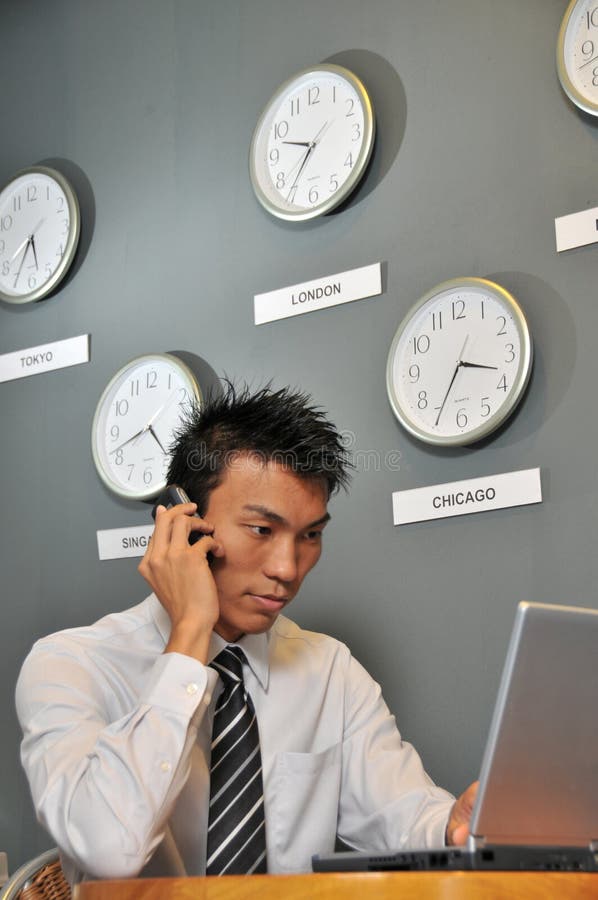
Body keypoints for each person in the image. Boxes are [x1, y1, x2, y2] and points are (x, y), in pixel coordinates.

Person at [16, 383, 477, 883]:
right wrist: (191, 632)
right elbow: (108, 847)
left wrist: (449, 828)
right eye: (262, 529)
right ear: (182, 523)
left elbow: (405, 814)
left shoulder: (330, 671)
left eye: (311, 535)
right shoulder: (69, 665)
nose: (288, 568)